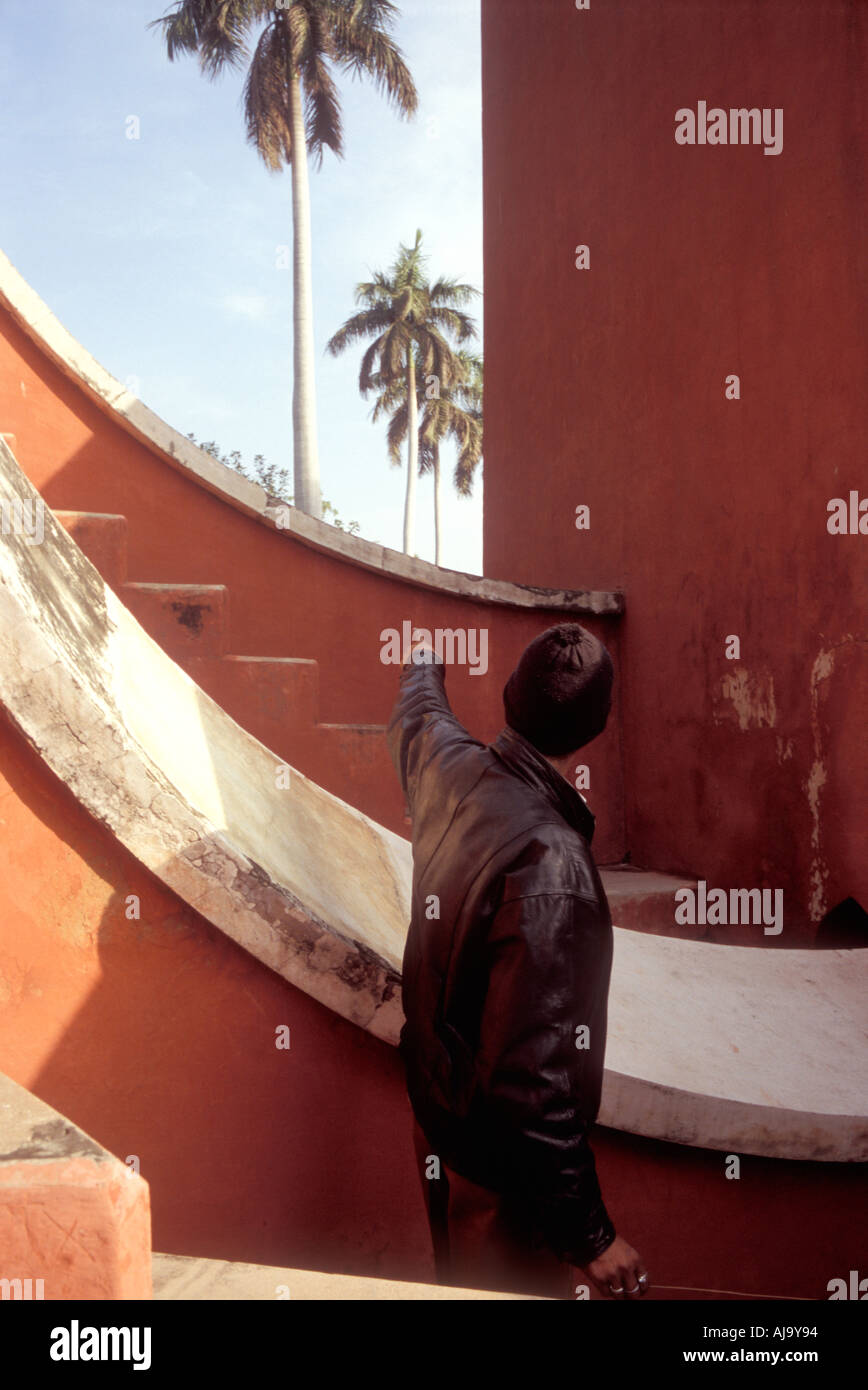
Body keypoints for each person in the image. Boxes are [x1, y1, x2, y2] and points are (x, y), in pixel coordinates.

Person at [387, 621, 649, 1300]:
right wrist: (590, 1236)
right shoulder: (553, 865)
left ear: (510, 695)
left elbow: (418, 711)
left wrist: (424, 659)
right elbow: (533, 1083)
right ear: (597, 725)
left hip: (436, 1122)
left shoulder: (447, 765)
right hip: (498, 1179)